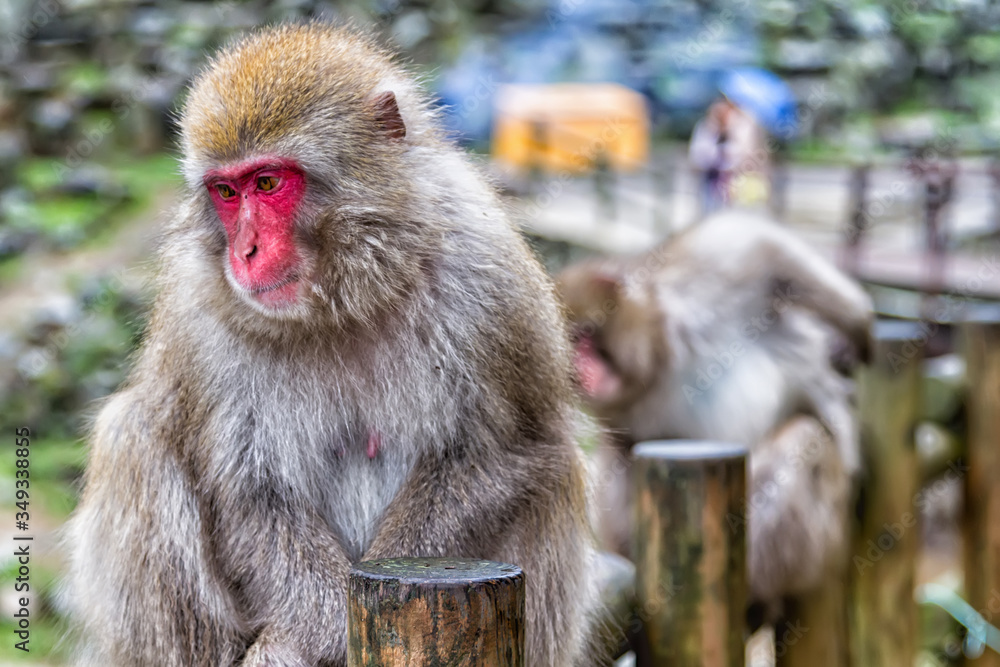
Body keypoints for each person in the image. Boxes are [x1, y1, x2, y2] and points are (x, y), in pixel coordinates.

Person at [689, 97, 769, 217]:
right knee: (709, 212)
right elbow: (698, 155)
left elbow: (742, 154)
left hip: (734, 179)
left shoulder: (740, 127)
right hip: (711, 179)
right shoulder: (707, 128)